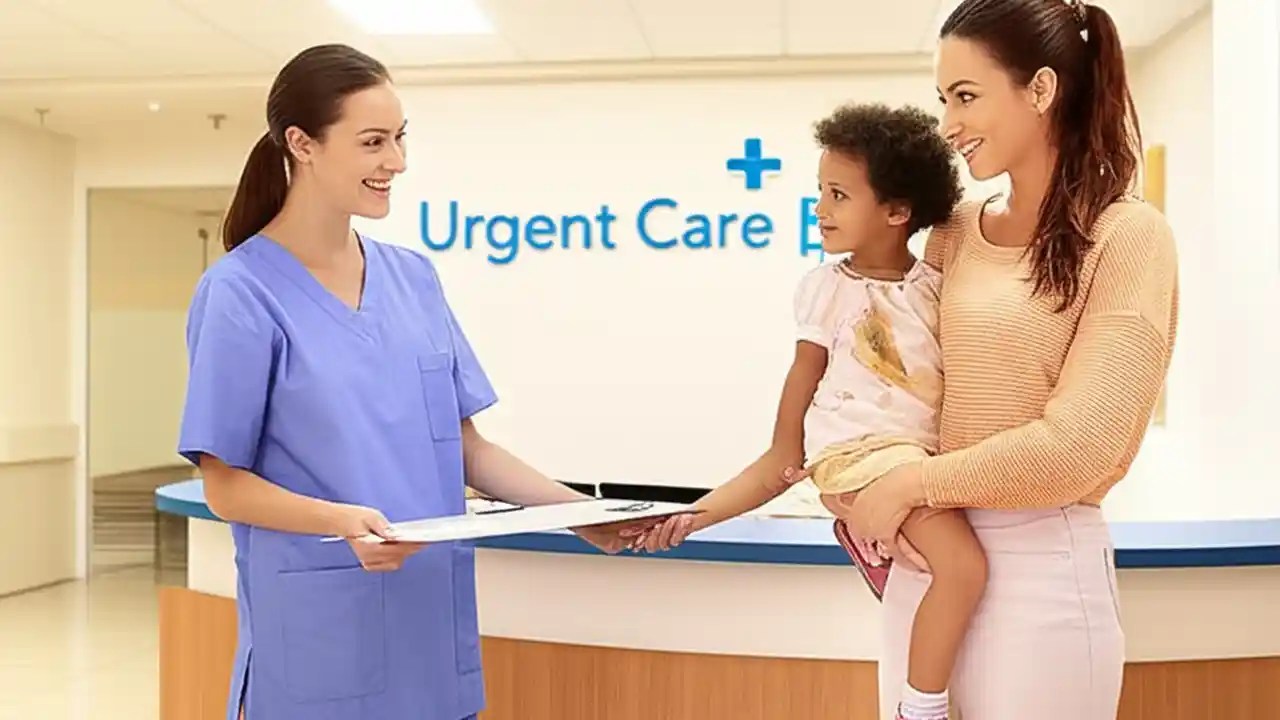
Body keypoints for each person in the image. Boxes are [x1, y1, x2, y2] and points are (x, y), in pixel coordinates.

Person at [647, 0, 1180, 717]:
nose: (948, 124)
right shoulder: (954, 235)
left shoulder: (1130, 238)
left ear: (1042, 91)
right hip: (925, 553)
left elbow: (1082, 447)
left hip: (1039, 568)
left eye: (966, 96)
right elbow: (888, 393)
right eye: (942, 100)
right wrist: (859, 488)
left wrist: (907, 488)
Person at [177, 43, 651, 720]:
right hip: (319, 643)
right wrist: (339, 521)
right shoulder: (241, 294)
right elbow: (224, 485)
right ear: (301, 144)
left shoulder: (413, 278)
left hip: (430, 638)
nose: (396, 162)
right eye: (373, 142)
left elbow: (465, 447)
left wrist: (577, 515)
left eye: (399, 139)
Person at [633, 101, 976, 720]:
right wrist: (691, 517)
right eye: (821, 191)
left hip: (916, 464)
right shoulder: (827, 291)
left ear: (898, 212)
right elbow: (783, 457)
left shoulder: (938, 290)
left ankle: (879, 548)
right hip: (858, 460)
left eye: (839, 194)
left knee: (951, 564)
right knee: (964, 567)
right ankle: (920, 708)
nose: (820, 208)